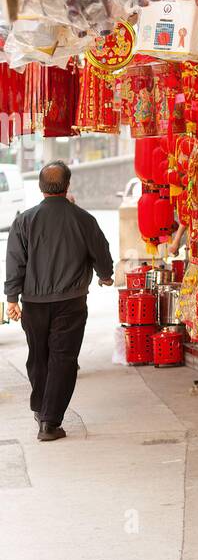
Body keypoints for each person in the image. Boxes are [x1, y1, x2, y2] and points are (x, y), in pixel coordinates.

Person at [4, 160, 114, 442]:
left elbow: (15, 262)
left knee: (38, 357)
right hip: (71, 301)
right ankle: (50, 421)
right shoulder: (83, 219)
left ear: (41, 187)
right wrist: (106, 275)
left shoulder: (24, 220)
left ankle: (42, 409)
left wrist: (12, 298)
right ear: (68, 185)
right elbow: (100, 251)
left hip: (34, 303)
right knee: (63, 358)